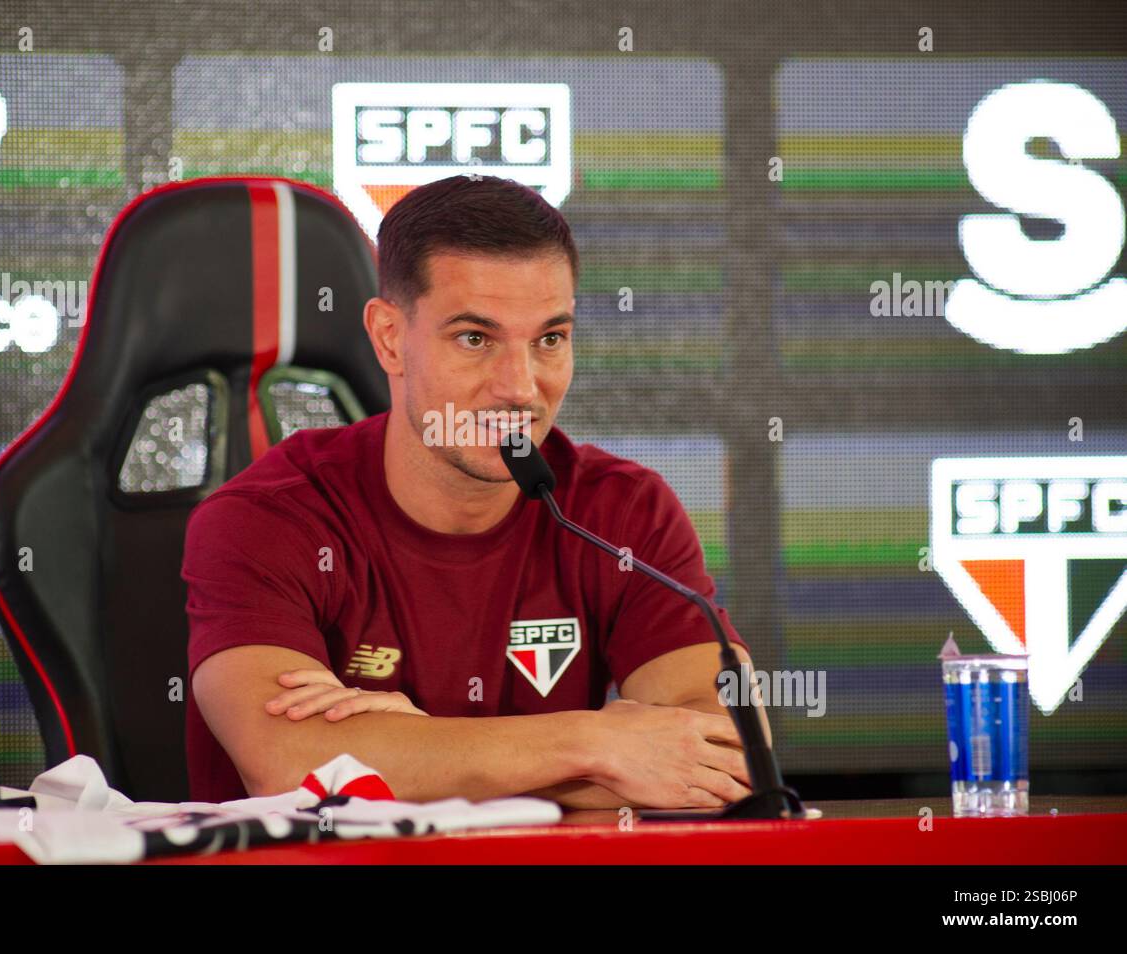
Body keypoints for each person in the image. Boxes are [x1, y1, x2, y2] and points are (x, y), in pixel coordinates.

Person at [181, 174, 769, 808]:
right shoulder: (269, 518)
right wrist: (600, 742)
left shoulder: (623, 512)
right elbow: (289, 768)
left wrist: (411, 752)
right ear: (388, 338)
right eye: (474, 338)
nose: (520, 386)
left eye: (550, 339)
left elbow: (731, 758)